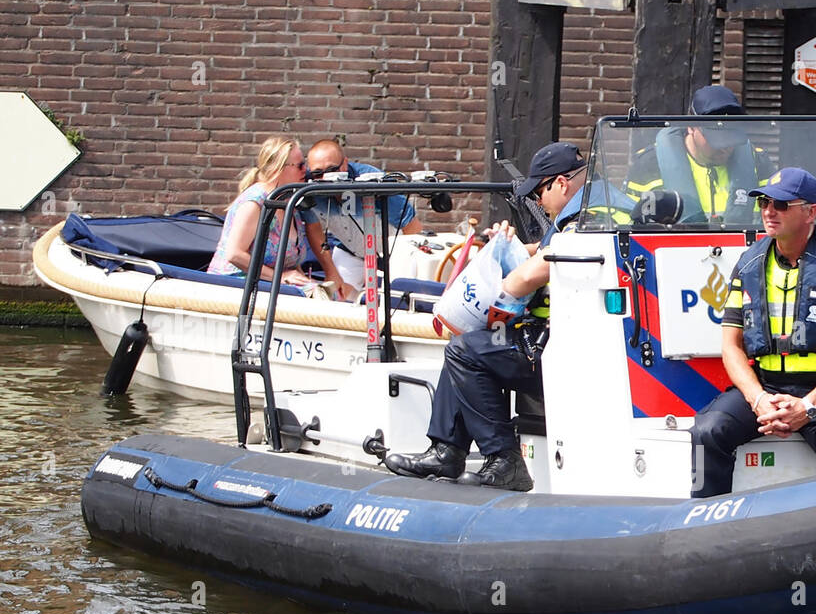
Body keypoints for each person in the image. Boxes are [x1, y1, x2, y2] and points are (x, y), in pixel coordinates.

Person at [385, 142, 631, 490]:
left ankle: (504, 460)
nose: (539, 203)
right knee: (469, 342)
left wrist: (486, 290)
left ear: (561, 183)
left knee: (466, 350)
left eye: (539, 193)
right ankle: (447, 451)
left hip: (568, 353)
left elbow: (524, 279)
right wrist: (506, 247)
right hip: (602, 346)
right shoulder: (607, 208)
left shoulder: (586, 222)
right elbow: (546, 250)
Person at [690, 167, 816, 499]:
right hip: (767, 390)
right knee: (707, 432)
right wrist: (759, 399)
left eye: (781, 204)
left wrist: (809, 406)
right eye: (763, 203)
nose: (768, 211)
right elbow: (731, 346)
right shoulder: (749, 263)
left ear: (811, 212)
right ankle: (708, 519)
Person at [208, 135, 351, 296]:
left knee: (338, 294)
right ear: (278, 169)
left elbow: (290, 265)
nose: (306, 170)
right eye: (300, 165)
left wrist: (305, 282)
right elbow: (234, 254)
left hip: (270, 289)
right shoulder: (255, 204)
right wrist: (281, 278)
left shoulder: (290, 202)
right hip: (234, 288)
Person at [625, 85, 774, 223]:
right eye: (716, 139)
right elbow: (625, 223)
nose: (726, 147)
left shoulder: (758, 162)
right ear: (691, 126)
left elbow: (778, 217)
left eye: (732, 138)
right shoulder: (648, 165)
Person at [304, 138, 425, 295]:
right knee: (337, 298)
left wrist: (411, 260)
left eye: (332, 170)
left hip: (393, 253)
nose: (325, 178)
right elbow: (313, 228)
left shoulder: (373, 180)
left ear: (345, 163)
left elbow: (410, 224)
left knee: (396, 298)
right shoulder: (308, 187)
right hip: (350, 251)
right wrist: (330, 271)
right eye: (318, 173)